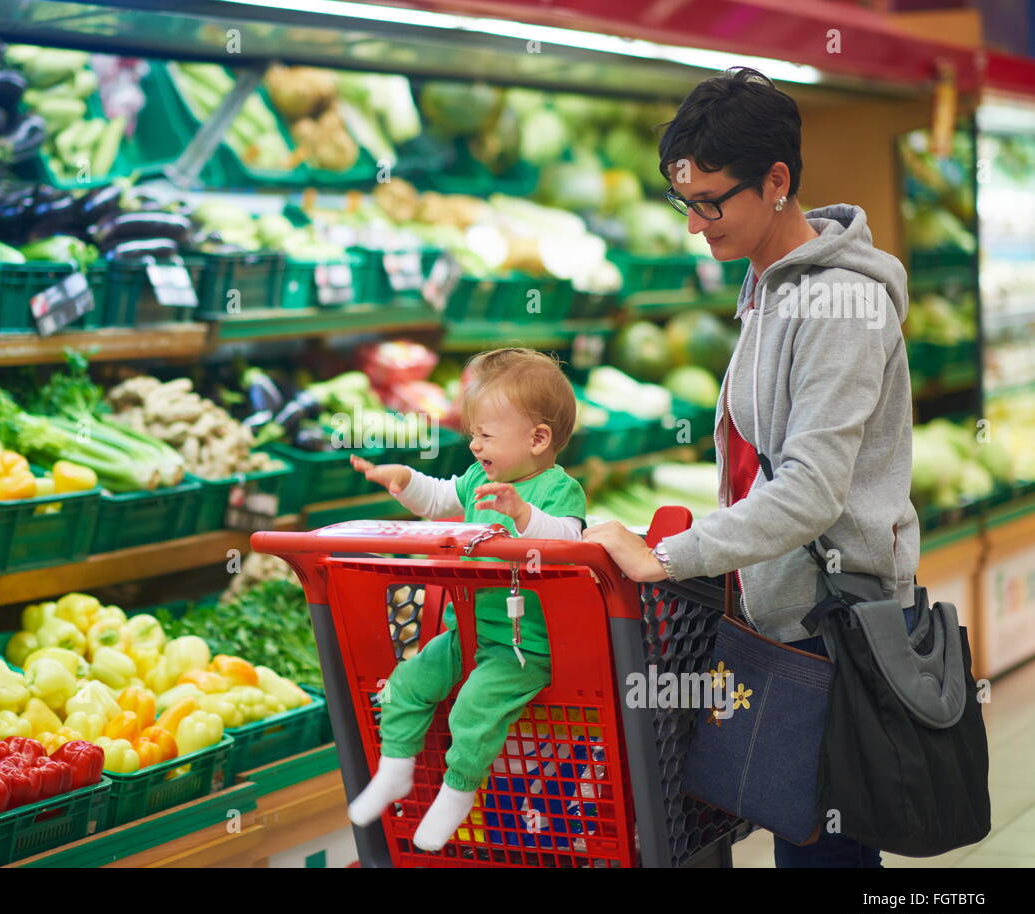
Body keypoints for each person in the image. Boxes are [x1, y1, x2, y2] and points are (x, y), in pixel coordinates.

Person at [582, 67, 919, 869]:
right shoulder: (765, 282)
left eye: (711, 201)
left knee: (825, 856)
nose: (696, 224)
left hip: (837, 628)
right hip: (784, 618)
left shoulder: (840, 305)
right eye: (684, 202)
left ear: (776, 181)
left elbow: (807, 487)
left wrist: (669, 554)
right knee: (803, 844)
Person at [344, 348, 587, 851]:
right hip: (467, 632)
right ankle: (395, 770)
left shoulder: (559, 491)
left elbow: (567, 543)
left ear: (538, 438)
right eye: (473, 433)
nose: (474, 444)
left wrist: (521, 514)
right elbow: (440, 499)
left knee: (472, 709)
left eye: (486, 435)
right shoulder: (480, 477)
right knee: (407, 684)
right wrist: (405, 481)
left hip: (525, 648)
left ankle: (457, 794)